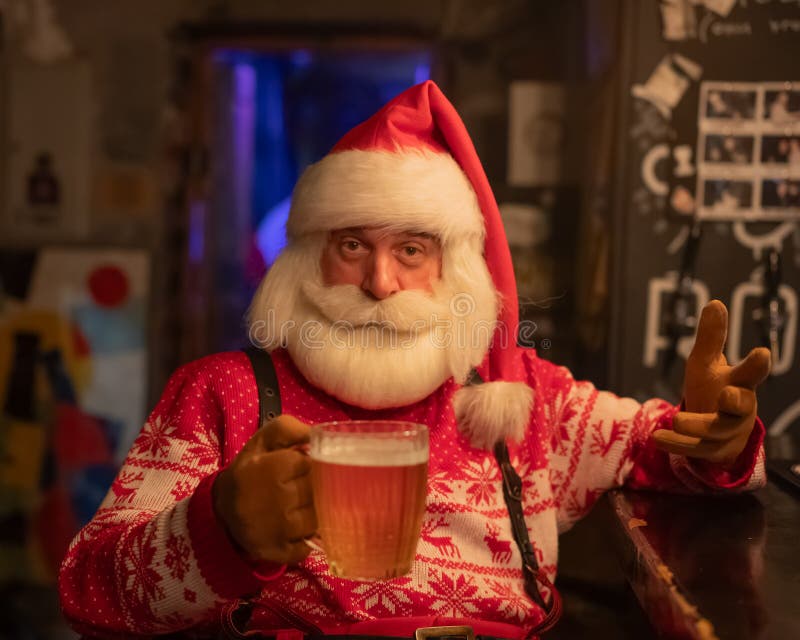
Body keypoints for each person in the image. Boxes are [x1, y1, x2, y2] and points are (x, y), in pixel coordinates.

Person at [58, 81, 771, 638]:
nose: (379, 283)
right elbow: (89, 593)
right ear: (307, 259)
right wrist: (218, 527)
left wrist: (718, 435)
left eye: (410, 249)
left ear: (453, 270)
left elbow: (661, 450)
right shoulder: (221, 394)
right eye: (350, 246)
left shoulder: (520, 393)